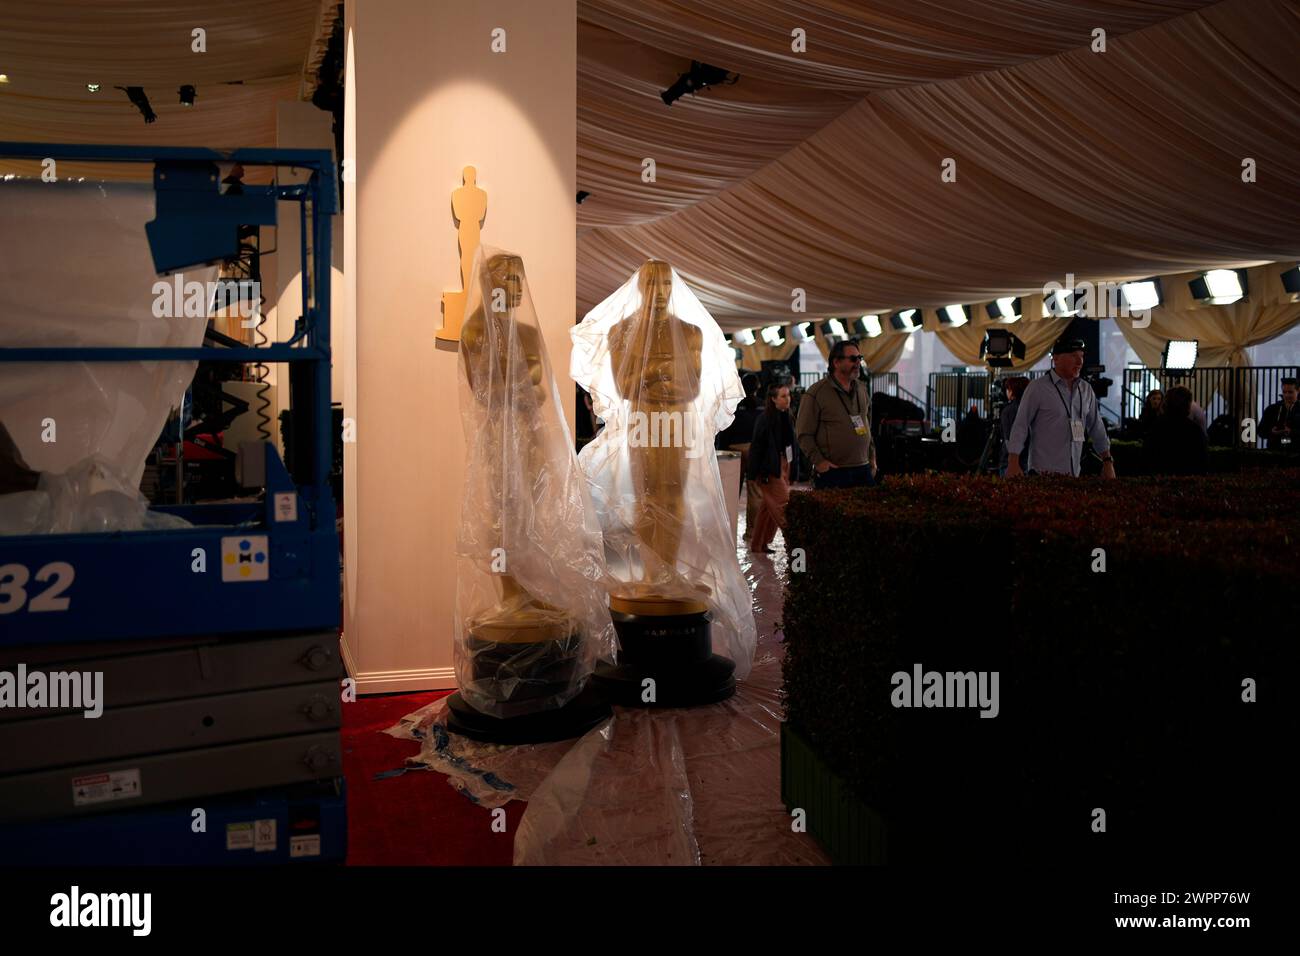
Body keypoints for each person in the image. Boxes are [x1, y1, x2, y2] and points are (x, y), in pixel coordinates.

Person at [1005, 336, 1116, 478]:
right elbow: (1021, 425)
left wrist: (1107, 461)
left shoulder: (1085, 389)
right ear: (1056, 359)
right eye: (1073, 356)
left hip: (1074, 475)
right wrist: (1013, 462)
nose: (1080, 361)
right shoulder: (1038, 388)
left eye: (1081, 356)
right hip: (1042, 475)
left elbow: (1097, 427)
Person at [795, 338, 878, 489]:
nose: (858, 362)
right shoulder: (816, 393)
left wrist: (872, 458)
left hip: (863, 469)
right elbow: (803, 433)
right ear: (836, 362)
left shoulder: (861, 389)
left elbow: (867, 427)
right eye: (853, 359)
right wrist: (819, 462)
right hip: (834, 471)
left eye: (859, 358)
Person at [747, 384, 799, 552]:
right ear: (773, 399)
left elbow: (791, 445)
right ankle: (796, 543)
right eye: (783, 396)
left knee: (767, 509)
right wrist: (755, 472)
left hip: (783, 465)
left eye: (788, 395)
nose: (788, 398)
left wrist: (793, 468)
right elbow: (757, 447)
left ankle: (758, 544)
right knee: (784, 506)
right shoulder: (765, 419)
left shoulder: (787, 416)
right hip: (770, 469)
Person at [1143, 385, 1208, 474]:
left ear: (1166, 403)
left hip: (1160, 481)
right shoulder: (1194, 430)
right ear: (1187, 405)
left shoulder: (1157, 427)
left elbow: (1147, 458)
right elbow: (1202, 461)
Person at [997, 377, 1029, 476]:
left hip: (1010, 462)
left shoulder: (1008, 410)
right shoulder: (1029, 408)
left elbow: (1008, 438)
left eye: (1007, 389)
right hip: (1027, 459)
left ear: (1011, 391)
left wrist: (1012, 462)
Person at [1260, 377, 1300, 451]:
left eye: (1290, 392)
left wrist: (1292, 432)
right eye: (1284, 392)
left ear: (1298, 391)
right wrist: (1271, 432)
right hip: (1275, 451)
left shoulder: (1273, 408)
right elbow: (1261, 431)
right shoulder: (1272, 409)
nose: (1287, 395)